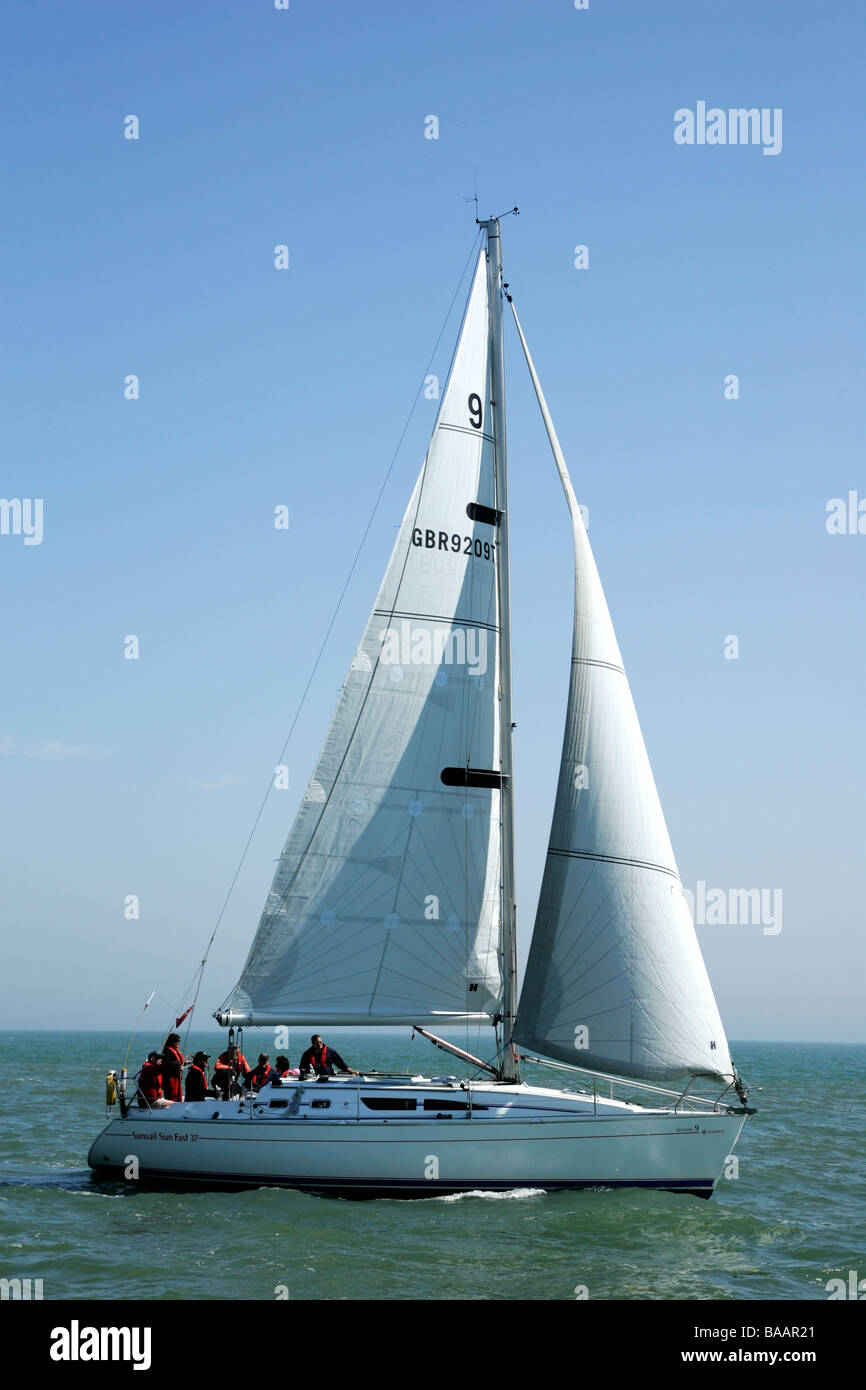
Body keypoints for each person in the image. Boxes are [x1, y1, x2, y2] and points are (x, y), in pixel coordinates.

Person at [161, 1032, 186, 1102]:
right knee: (172, 1096)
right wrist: (178, 1068)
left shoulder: (175, 1051)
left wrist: (185, 1063)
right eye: (177, 1041)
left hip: (176, 1078)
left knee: (178, 1096)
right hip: (170, 1079)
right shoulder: (167, 1051)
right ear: (172, 1042)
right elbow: (166, 1065)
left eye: (179, 1041)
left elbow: (177, 1062)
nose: (179, 1043)